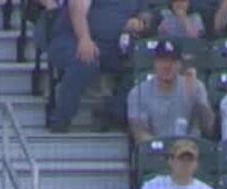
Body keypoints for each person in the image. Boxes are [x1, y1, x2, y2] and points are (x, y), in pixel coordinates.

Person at [47, 0, 155, 133]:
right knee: (85, 61)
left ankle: (111, 113)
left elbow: (145, 13)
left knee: (141, 65)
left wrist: (142, 22)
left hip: (114, 45)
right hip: (73, 37)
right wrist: (84, 39)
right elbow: (77, 8)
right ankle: (61, 118)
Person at [127, 39, 216, 144]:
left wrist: (195, 97)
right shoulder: (138, 92)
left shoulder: (196, 86)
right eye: (162, 60)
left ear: (180, 64)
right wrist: (167, 152)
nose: (167, 66)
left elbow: (209, 128)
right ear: (154, 63)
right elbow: (140, 134)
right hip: (155, 154)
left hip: (190, 153)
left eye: (172, 61)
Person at [140, 136, 215, 189]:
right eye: (181, 159)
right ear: (171, 161)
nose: (186, 164)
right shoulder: (153, 187)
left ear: (196, 164)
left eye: (190, 159)